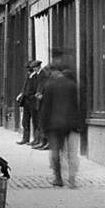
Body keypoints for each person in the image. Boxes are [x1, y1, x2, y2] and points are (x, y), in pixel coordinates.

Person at [39, 56, 83, 188]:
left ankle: (58, 178)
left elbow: (45, 108)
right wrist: (79, 123)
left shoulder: (49, 86)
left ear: (53, 71)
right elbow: (78, 105)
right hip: (71, 124)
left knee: (55, 152)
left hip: (54, 124)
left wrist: (43, 126)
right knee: (72, 152)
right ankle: (72, 179)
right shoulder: (72, 85)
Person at [16, 59, 44, 145]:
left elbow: (37, 88)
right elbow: (25, 88)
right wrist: (21, 94)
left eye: (30, 68)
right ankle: (25, 138)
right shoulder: (29, 76)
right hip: (26, 101)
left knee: (35, 121)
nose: (29, 70)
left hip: (33, 101)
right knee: (25, 121)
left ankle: (36, 139)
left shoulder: (37, 76)